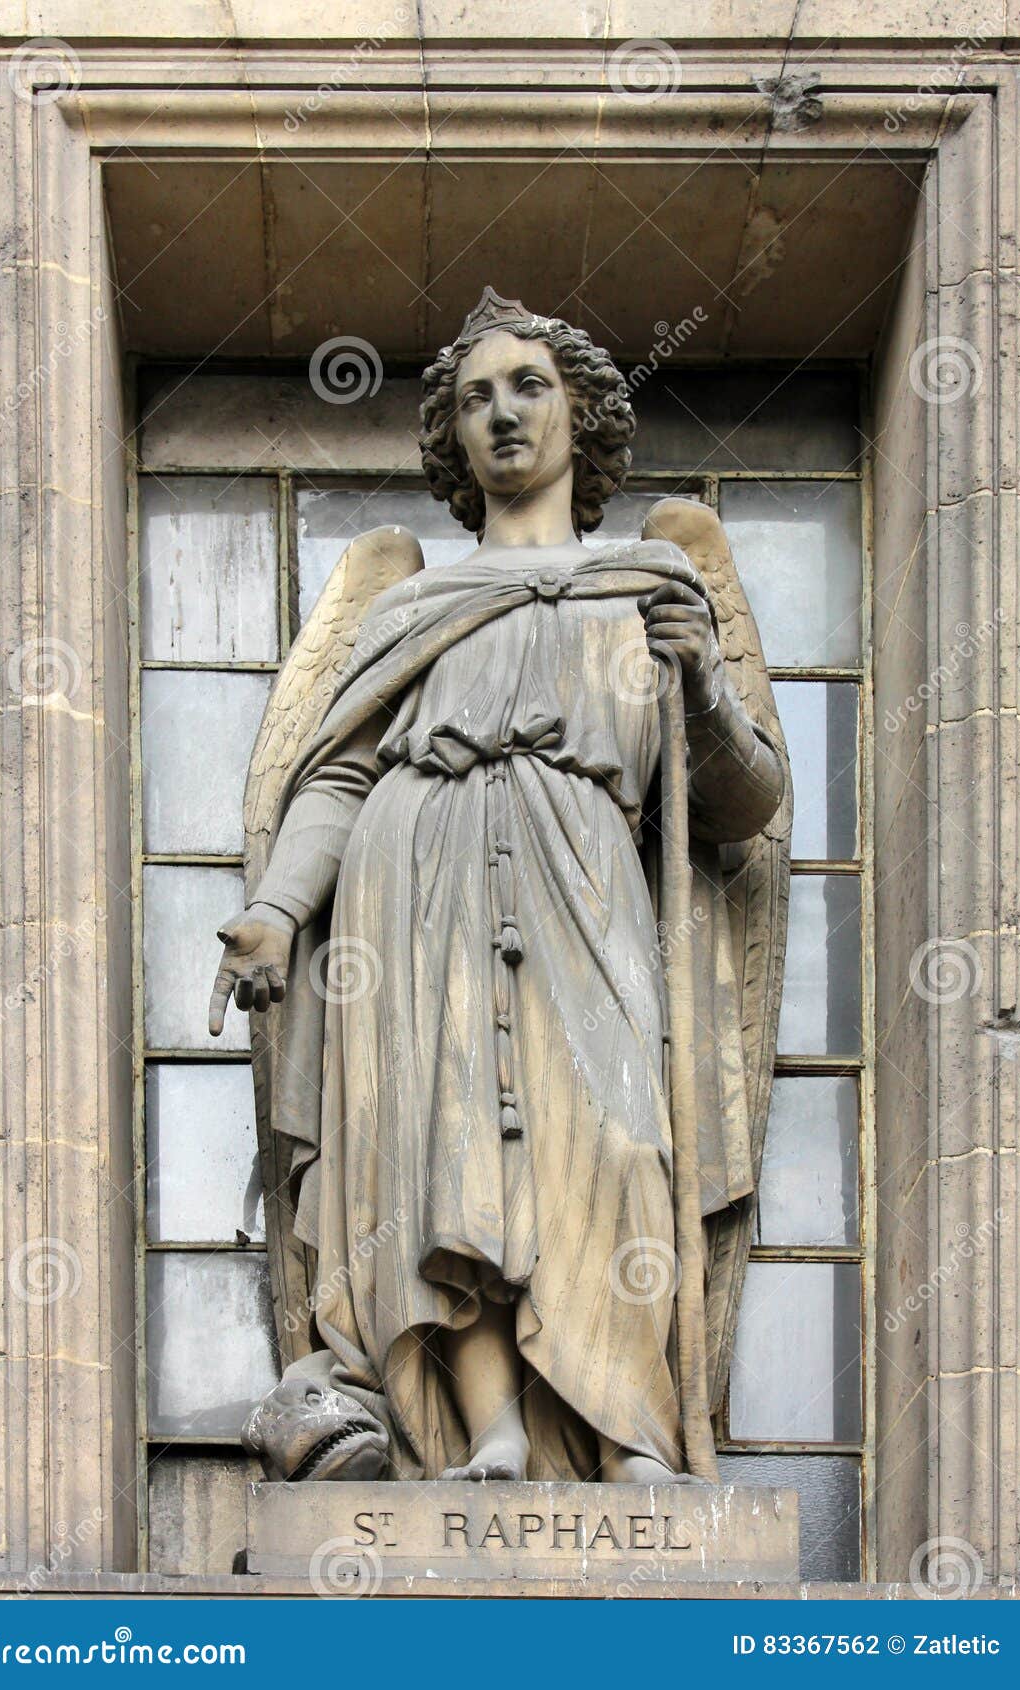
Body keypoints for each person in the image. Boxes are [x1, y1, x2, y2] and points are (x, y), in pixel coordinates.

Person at [209, 291, 784, 1482]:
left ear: (581, 415)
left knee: (618, 1142)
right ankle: (490, 1435)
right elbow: (339, 772)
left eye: (528, 387)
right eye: (474, 398)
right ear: (451, 441)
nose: (502, 414)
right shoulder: (414, 602)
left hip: (586, 877)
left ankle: (626, 1429)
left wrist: (704, 689)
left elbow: (741, 802)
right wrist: (275, 911)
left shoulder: (646, 582)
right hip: (414, 889)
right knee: (448, 1149)